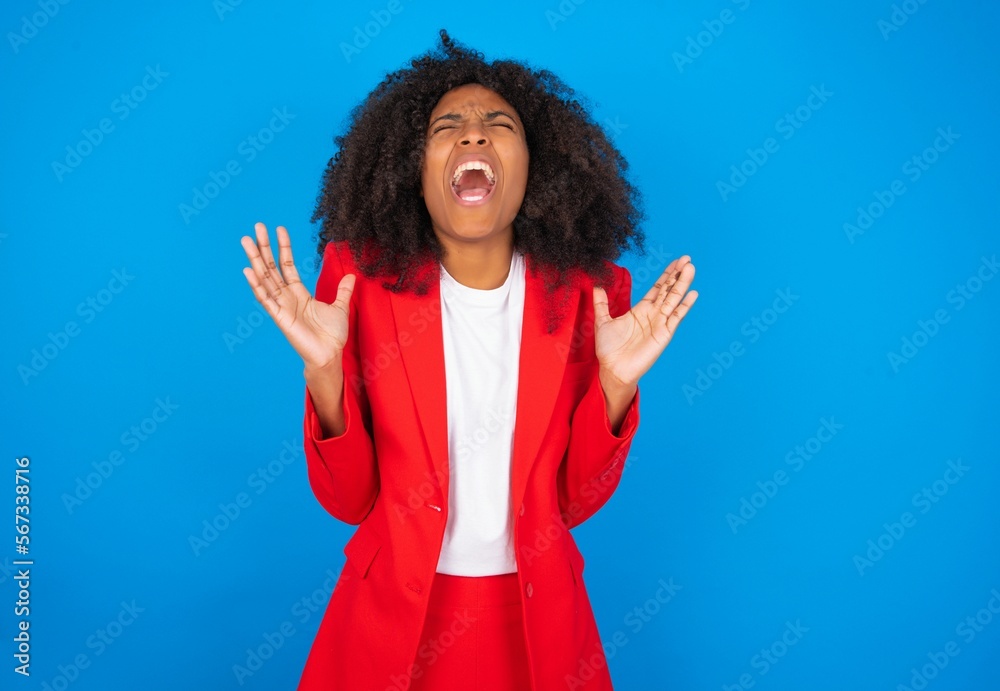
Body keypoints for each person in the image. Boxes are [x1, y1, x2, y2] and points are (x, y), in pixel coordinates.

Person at [240, 29, 697, 691]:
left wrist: (616, 385)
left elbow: (572, 501)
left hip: (534, 621)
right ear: (413, 173)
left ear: (536, 170)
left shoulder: (588, 299)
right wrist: (324, 373)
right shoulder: (356, 285)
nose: (474, 136)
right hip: (391, 620)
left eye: (498, 124)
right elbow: (348, 499)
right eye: (447, 125)